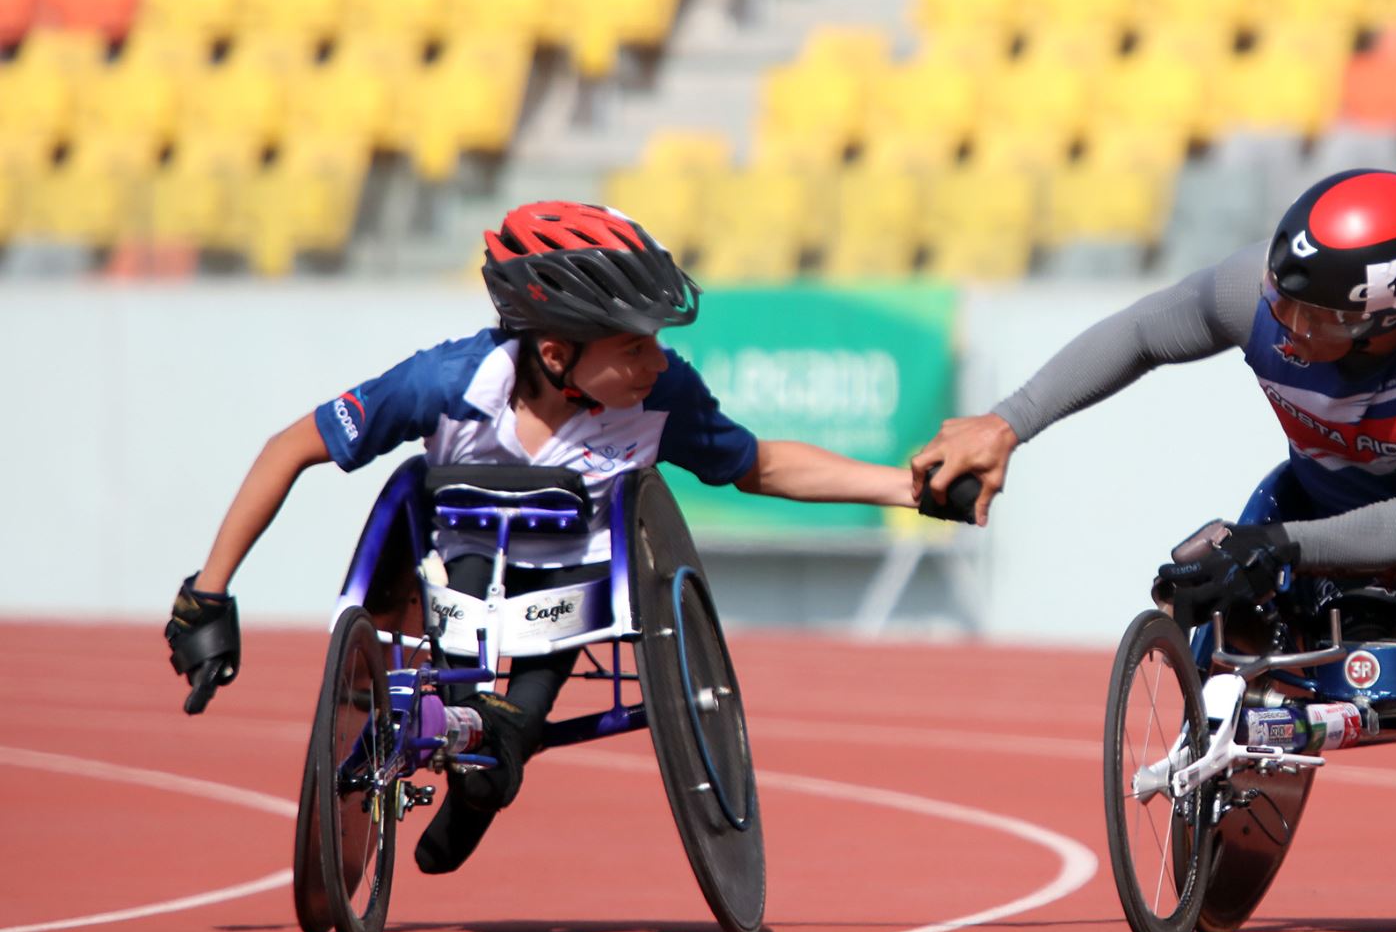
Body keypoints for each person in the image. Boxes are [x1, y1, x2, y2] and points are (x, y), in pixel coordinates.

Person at [167, 201, 914, 873]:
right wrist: (209, 592)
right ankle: (464, 741)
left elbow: (760, 465)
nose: (658, 363)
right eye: (634, 348)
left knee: (503, 745)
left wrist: (908, 487)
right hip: (453, 576)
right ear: (557, 356)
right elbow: (289, 447)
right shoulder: (446, 381)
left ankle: (489, 766)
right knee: (467, 646)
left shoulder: (665, 397)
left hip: (571, 594)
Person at [911, 168, 1396, 631]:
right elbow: (1138, 334)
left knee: (1248, 556)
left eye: (1314, 317)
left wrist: (1277, 545)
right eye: (1280, 297)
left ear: (1389, 316)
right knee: (1213, 603)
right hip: (1314, 506)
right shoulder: (1251, 292)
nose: (1286, 327)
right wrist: (1005, 424)